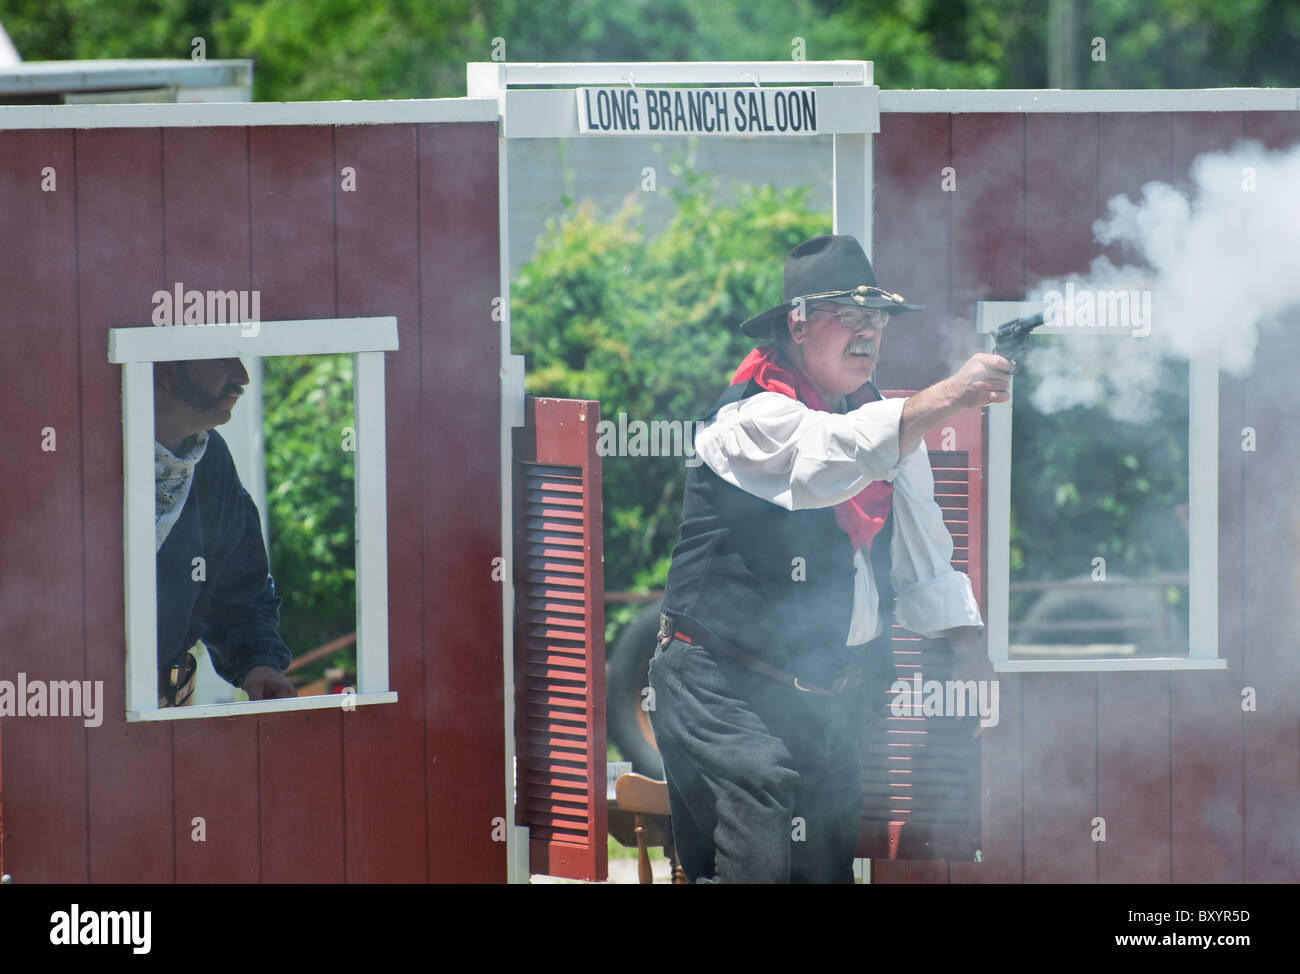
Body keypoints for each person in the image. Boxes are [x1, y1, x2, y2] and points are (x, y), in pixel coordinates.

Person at [648, 234, 1010, 883]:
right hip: (725, 692)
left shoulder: (887, 428)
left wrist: (972, 663)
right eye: (850, 315)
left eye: (878, 319)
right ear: (797, 323)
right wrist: (953, 394)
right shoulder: (747, 418)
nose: (869, 331)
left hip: (832, 697)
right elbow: (832, 455)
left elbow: (926, 563)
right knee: (757, 862)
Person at [154, 357, 295, 707]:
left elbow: (239, 594)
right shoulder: (79, 452)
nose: (243, 376)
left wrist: (258, 662)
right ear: (167, 369)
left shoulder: (211, 458)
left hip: (159, 719)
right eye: (219, 357)